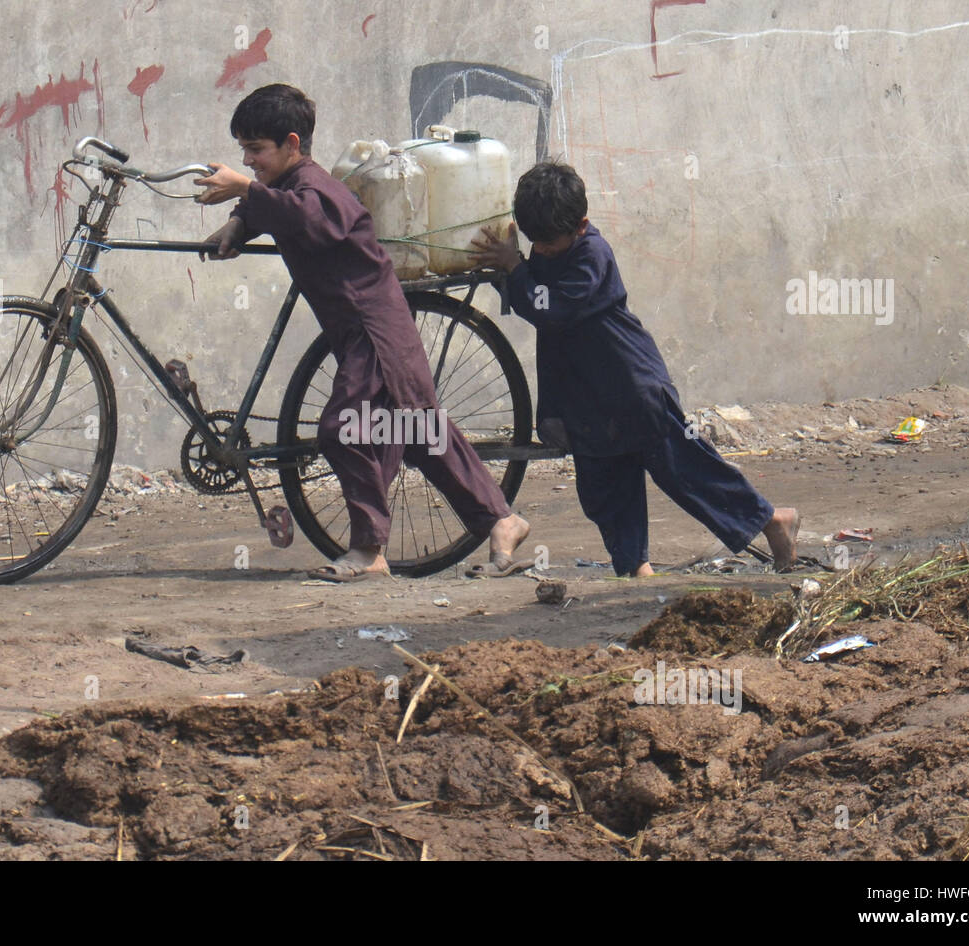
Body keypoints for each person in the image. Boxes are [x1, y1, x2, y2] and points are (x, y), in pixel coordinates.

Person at [193, 84, 531, 581]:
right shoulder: (292, 185)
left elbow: (307, 217)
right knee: (417, 431)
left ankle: (370, 550)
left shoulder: (321, 190)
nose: (248, 160)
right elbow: (275, 206)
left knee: (344, 429)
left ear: (291, 143)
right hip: (362, 330)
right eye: (243, 150)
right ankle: (502, 519)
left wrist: (245, 189)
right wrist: (238, 224)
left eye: (256, 150)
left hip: (373, 330)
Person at [470, 161, 799, 576]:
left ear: (582, 225)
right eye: (536, 244)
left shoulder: (593, 255)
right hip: (586, 400)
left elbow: (549, 309)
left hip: (632, 388)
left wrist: (516, 268)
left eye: (550, 244)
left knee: (689, 474)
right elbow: (537, 290)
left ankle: (773, 521)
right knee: (605, 489)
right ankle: (635, 569)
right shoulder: (547, 249)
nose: (544, 251)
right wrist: (518, 264)